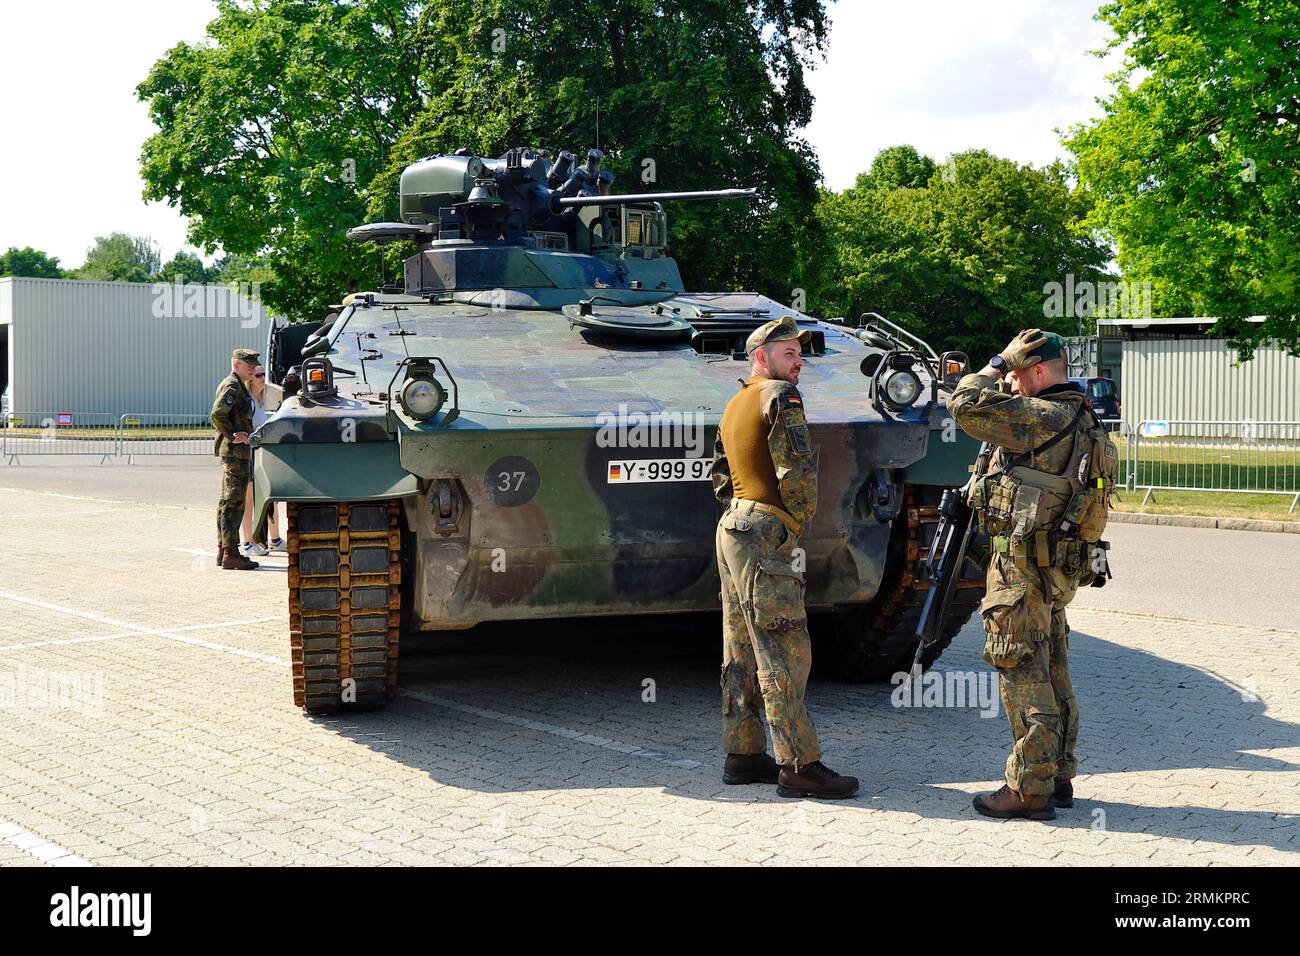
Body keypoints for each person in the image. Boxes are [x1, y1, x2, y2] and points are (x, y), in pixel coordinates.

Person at [949, 329, 1117, 820]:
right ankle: (1058, 774)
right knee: (1054, 667)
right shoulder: (1085, 419)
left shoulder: (1040, 417)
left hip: (1021, 567)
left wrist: (997, 361)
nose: (1013, 384)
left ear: (1040, 372)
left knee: (1019, 668)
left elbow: (964, 403)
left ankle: (1029, 787)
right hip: (1056, 566)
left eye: (1020, 376)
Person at [709, 315, 859, 799]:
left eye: (800, 354)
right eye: (789, 354)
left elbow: (718, 474)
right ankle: (798, 764)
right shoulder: (780, 395)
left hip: (733, 525)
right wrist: (793, 524)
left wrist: (744, 511)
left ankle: (744, 753)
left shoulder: (734, 402)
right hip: (766, 528)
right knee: (784, 646)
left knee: (740, 649)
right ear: (761, 358)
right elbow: (797, 469)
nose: (799, 364)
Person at [210, 348, 261, 571]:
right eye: (248, 363)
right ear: (235, 364)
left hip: (235, 452)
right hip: (234, 452)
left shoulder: (236, 384)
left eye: (254, 364)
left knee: (227, 501)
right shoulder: (232, 386)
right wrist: (233, 435)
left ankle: (224, 550)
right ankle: (231, 553)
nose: (252, 367)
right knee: (234, 502)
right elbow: (217, 413)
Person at [240, 365, 284, 555]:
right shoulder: (248, 401)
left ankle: (274, 538)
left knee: (270, 498)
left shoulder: (262, 399)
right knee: (249, 500)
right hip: (249, 454)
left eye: (263, 374)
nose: (262, 377)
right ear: (250, 379)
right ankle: (247, 542)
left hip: (262, 454)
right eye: (258, 375)